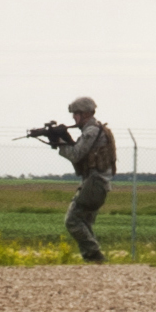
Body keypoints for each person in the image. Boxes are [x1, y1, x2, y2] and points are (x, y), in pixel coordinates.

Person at [55, 96, 116, 264]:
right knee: (84, 222)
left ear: (86, 114)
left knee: (73, 220)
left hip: (95, 183)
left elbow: (76, 155)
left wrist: (59, 142)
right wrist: (65, 140)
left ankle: (94, 254)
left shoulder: (92, 131)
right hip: (95, 183)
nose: (74, 117)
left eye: (76, 114)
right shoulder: (94, 130)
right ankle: (93, 260)